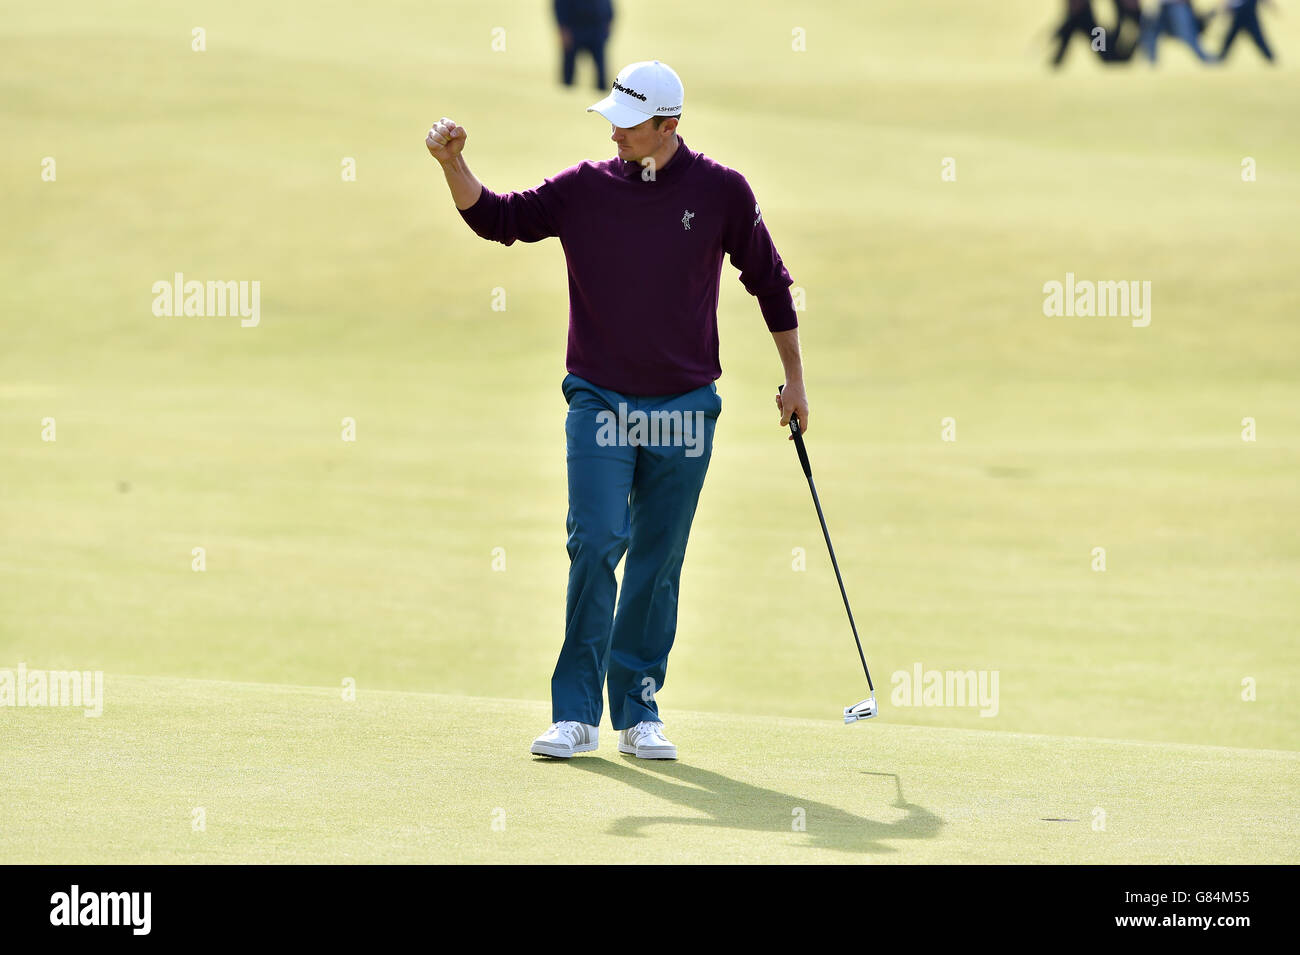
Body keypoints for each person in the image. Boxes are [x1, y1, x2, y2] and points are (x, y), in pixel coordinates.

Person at [424, 61, 807, 761]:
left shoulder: (723, 192)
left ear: (670, 126)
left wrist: (794, 378)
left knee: (658, 562)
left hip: (686, 405)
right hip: (599, 397)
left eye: (631, 123)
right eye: (613, 119)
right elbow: (499, 219)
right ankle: (574, 714)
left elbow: (769, 281)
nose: (616, 132)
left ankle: (638, 710)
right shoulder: (584, 188)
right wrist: (455, 164)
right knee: (597, 540)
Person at [554, 0, 615, 90]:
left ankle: (602, 90)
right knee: (569, 65)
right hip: (573, 31)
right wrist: (563, 31)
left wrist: (606, 29)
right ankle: (566, 89)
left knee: (601, 67)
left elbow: (608, 8)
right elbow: (560, 7)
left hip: (596, 32)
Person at [1141, 0, 1219, 62]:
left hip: (1178, 4)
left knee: (1188, 33)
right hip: (1161, 5)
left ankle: (1204, 57)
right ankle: (1151, 61)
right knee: (1151, 32)